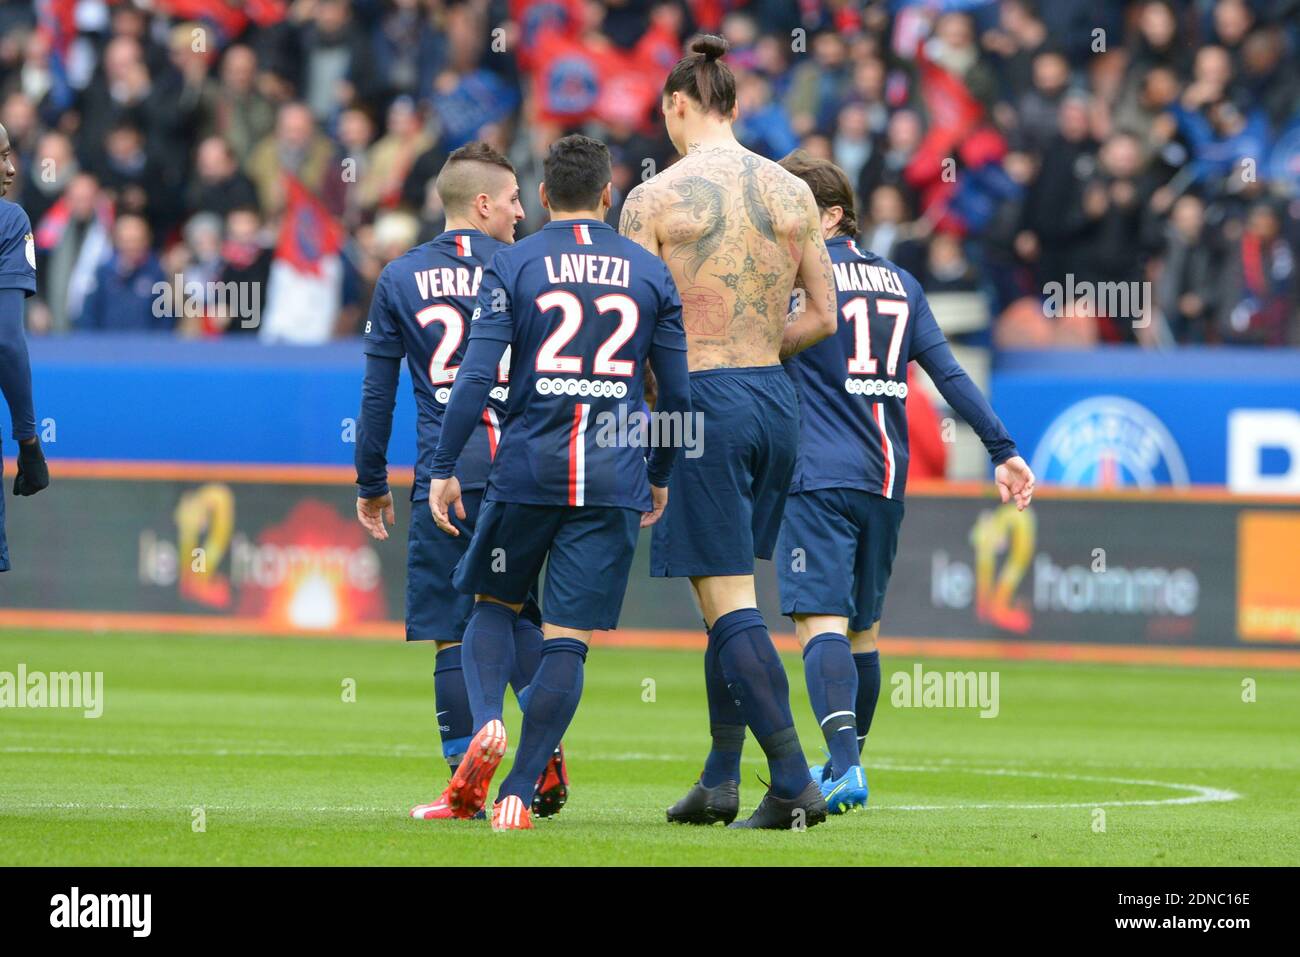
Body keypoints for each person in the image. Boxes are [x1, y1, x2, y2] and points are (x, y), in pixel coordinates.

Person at [428, 134, 692, 831]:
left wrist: (444, 467)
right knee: (567, 641)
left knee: (492, 604)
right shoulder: (648, 271)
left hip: (526, 471)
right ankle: (517, 791)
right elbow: (680, 397)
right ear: (610, 193)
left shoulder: (515, 262)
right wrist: (658, 475)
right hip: (611, 477)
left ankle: (487, 723)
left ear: (544, 196)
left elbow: (475, 377)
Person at [618, 36, 839, 830]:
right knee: (728, 595)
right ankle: (719, 775)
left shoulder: (652, 198)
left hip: (701, 400)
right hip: (776, 400)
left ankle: (791, 783)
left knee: (729, 601)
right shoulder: (792, 192)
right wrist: (758, 349)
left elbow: (634, 323)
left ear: (677, 105)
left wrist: (656, 401)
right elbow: (824, 313)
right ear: (736, 106)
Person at [775, 151, 1035, 811]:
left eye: (792, 203)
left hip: (816, 471)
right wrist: (1003, 448)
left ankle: (842, 765)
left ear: (831, 213)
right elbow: (947, 375)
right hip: (885, 475)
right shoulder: (900, 284)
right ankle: (847, 762)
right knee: (863, 631)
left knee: (819, 621)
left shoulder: (791, 278)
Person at [353, 142, 565, 821]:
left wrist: (370, 480)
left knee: (452, 626)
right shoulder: (531, 269)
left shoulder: (399, 278)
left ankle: (464, 770)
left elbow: (378, 396)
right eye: (511, 200)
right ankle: (543, 760)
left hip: (448, 469)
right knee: (517, 611)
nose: (521, 211)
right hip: (527, 468)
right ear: (482, 204)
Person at [0, 121, 49, 573]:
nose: (12, 169)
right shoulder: (9, 220)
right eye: (1, 157)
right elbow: (8, 342)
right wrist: (28, 438)